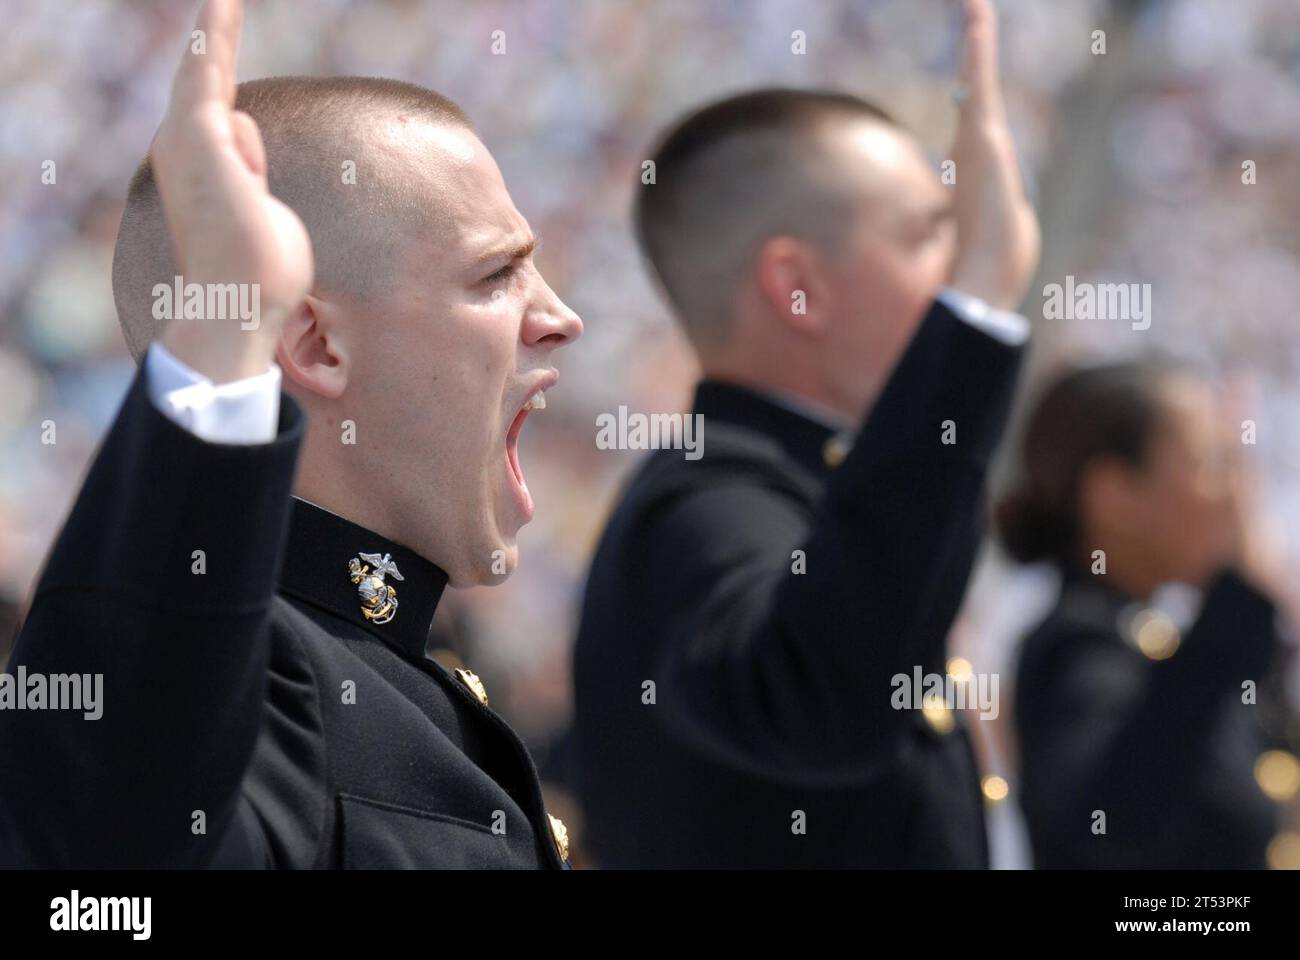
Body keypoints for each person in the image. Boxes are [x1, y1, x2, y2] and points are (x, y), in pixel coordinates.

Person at [0, 0, 582, 868]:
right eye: (496, 274)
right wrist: (224, 330)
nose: (560, 318)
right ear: (314, 342)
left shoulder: (397, 673)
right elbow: (104, 863)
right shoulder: (255, 693)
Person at [571, 0, 1040, 867]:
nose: (966, 254)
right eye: (930, 234)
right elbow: (819, 697)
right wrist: (974, 307)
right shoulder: (708, 510)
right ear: (797, 288)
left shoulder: (789, 491)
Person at [998, 360, 1296, 868]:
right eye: (1209, 464)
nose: (1232, 496)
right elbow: (1118, 816)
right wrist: (1239, 597)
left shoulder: (1155, 638)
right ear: (1114, 494)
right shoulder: (1078, 644)